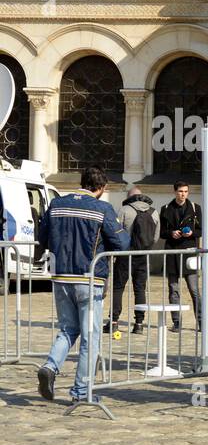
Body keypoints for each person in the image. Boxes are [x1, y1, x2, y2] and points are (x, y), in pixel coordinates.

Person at [33, 168, 130, 403]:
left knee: (67, 329)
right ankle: (80, 392)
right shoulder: (101, 208)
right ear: (101, 188)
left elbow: (41, 236)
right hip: (90, 277)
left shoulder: (57, 204)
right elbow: (121, 242)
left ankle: (50, 366)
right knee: (90, 336)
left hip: (61, 276)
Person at [107, 186, 157, 336]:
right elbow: (155, 237)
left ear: (129, 197)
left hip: (125, 254)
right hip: (143, 255)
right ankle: (139, 324)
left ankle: (114, 322)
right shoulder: (154, 212)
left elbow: (116, 233)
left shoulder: (124, 210)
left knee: (118, 288)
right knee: (140, 289)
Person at [159, 180, 201, 332]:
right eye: (180, 191)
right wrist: (171, 233)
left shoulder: (195, 208)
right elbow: (161, 233)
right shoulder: (165, 209)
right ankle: (176, 322)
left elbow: (200, 230)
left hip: (189, 252)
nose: (183, 194)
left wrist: (191, 233)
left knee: (194, 290)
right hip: (172, 251)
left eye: (185, 191)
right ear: (175, 192)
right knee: (173, 289)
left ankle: (201, 321)